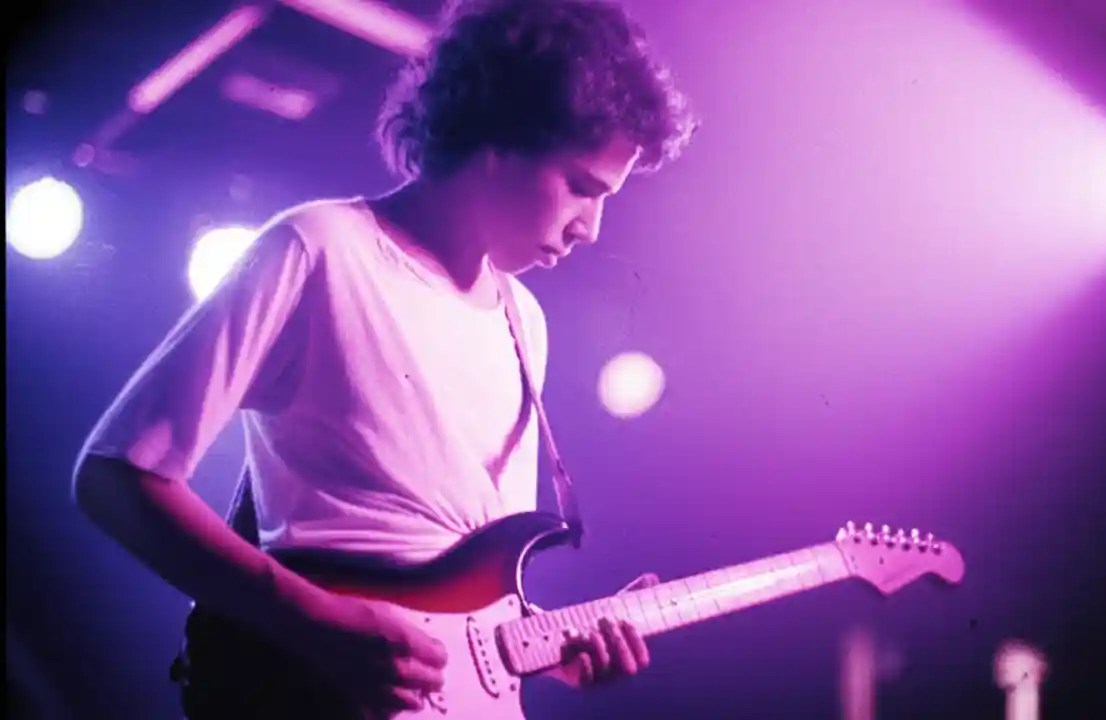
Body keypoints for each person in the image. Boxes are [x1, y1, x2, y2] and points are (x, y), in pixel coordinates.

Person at [71, 0, 696, 715]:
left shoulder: (526, 321)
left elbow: (457, 575)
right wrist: (311, 619)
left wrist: (553, 650)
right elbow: (116, 476)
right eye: (583, 186)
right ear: (501, 136)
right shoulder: (320, 248)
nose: (592, 227)